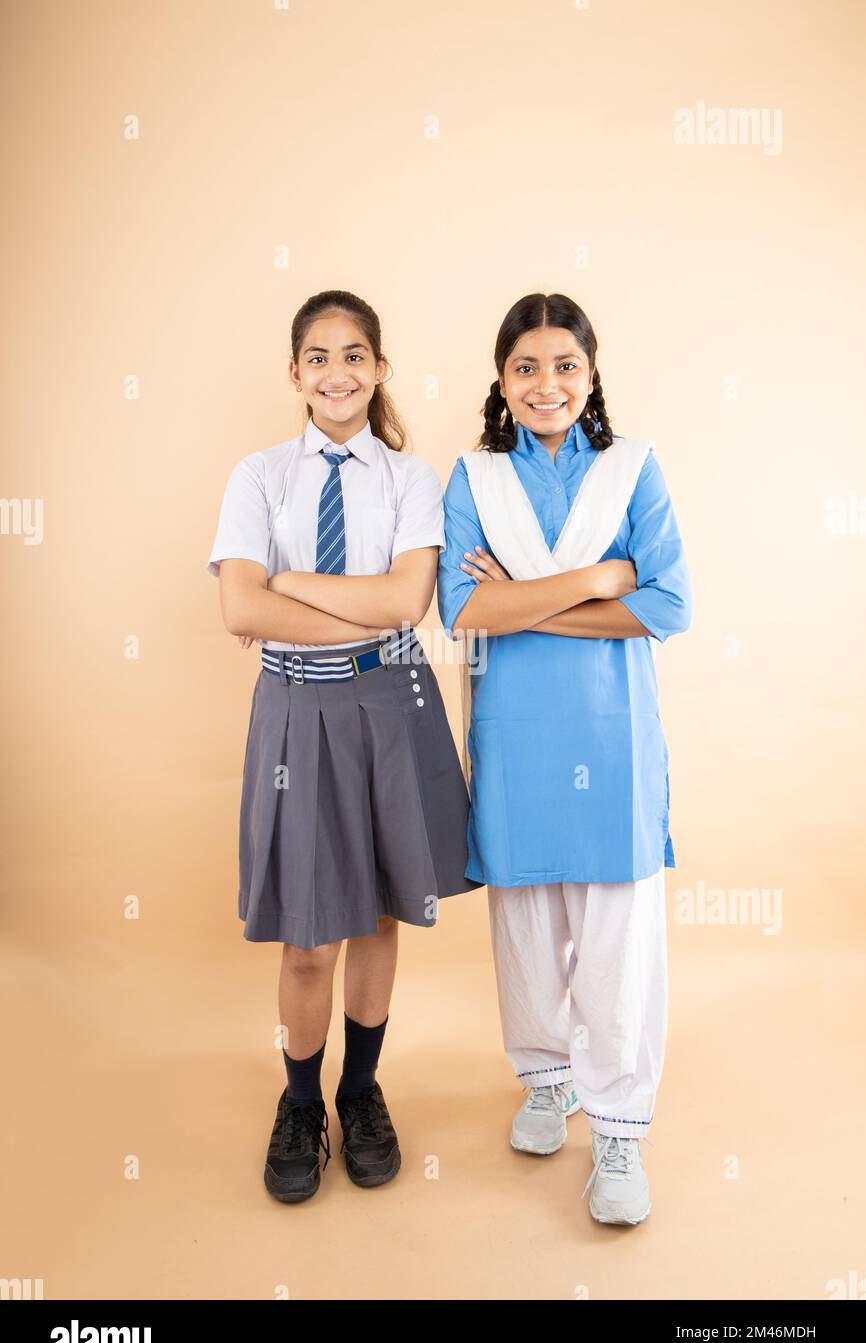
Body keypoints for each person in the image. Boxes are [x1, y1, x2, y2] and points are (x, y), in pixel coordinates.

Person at [207, 289, 480, 1203]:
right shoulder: (259, 476)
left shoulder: (408, 479)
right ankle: (299, 1101)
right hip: (296, 713)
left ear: (380, 369)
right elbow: (239, 609)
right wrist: (333, 608)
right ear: (296, 373)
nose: (338, 373)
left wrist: (288, 582)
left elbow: (406, 606)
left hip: (390, 710)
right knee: (308, 936)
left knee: (376, 915)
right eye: (319, 357)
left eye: (356, 354)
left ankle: (360, 1093)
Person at [437, 292, 691, 1225]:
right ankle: (548, 1081)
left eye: (566, 366)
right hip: (515, 737)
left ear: (592, 373)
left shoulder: (634, 471)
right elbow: (462, 612)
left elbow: (669, 607)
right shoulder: (474, 478)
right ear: (502, 382)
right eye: (526, 368)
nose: (548, 385)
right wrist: (593, 580)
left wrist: (528, 600)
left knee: (620, 939)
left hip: (611, 736)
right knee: (527, 928)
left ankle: (620, 1128)